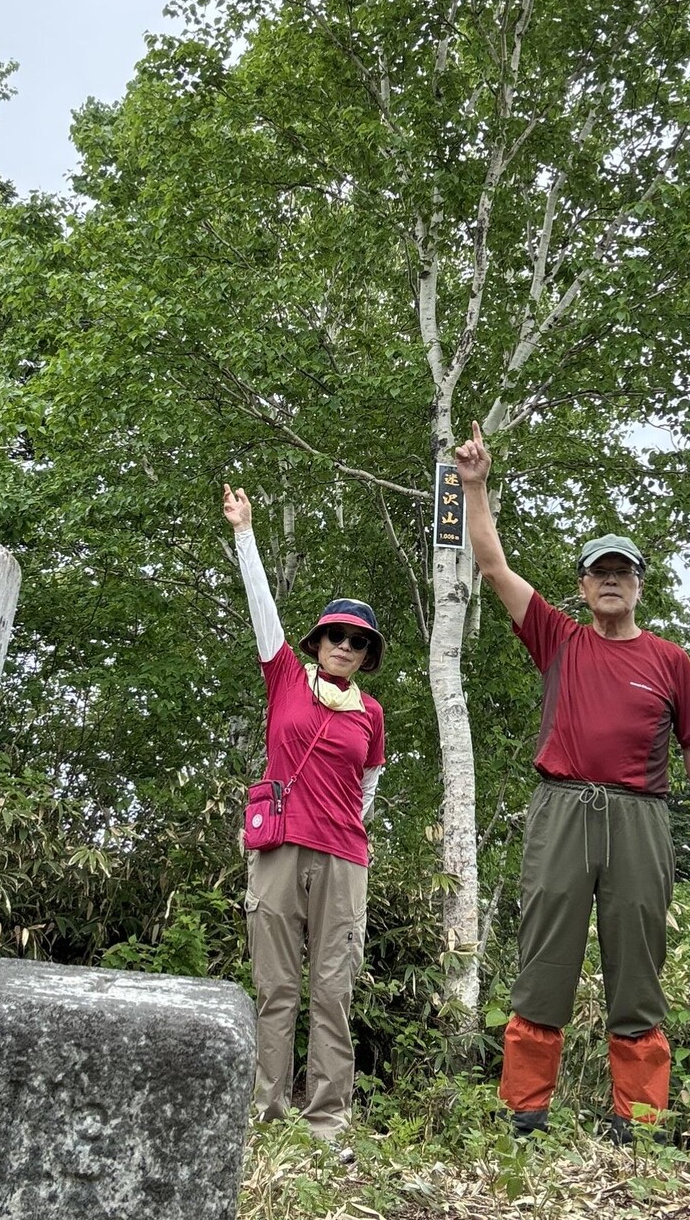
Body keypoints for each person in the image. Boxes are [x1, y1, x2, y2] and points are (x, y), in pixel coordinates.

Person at [454, 422, 690, 1141]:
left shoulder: (669, 661)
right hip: (562, 808)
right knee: (545, 955)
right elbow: (494, 568)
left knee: (637, 958)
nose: (612, 580)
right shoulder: (559, 639)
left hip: (640, 818)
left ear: (639, 585)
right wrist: (475, 486)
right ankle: (525, 1111)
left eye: (624, 571)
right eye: (600, 571)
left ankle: (640, 1118)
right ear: (584, 586)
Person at [223, 482, 386, 1139]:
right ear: (318, 641)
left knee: (333, 992)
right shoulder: (287, 679)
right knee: (276, 989)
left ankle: (327, 1119)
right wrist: (245, 533)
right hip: (280, 851)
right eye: (336, 635)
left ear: (367, 655)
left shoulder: (371, 715)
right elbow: (262, 611)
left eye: (358, 641)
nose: (345, 646)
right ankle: (266, 1112)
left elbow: (367, 788)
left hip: (344, 857)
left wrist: (340, 824)